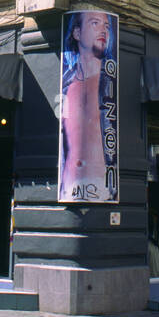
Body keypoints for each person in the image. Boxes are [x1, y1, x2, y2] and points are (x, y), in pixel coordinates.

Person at [59, 11, 116, 202]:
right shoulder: (65, 85)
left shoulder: (109, 82)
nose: (103, 30)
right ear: (77, 33)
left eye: (106, 26)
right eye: (95, 23)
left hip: (101, 189)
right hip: (68, 187)